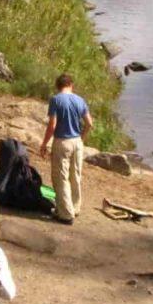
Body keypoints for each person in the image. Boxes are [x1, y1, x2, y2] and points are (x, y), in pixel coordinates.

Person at [38, 72, 92, 224]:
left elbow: (52, 125)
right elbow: (89, 123)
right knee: (75, 176)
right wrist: (82, 138)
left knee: (61, 178)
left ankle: (66, 214)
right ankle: (75, 208)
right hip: (77, 142)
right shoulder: (80, 100)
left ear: (58, 86)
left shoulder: (56, 100)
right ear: (71, 85)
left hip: (62, 142)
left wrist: (44, 143)